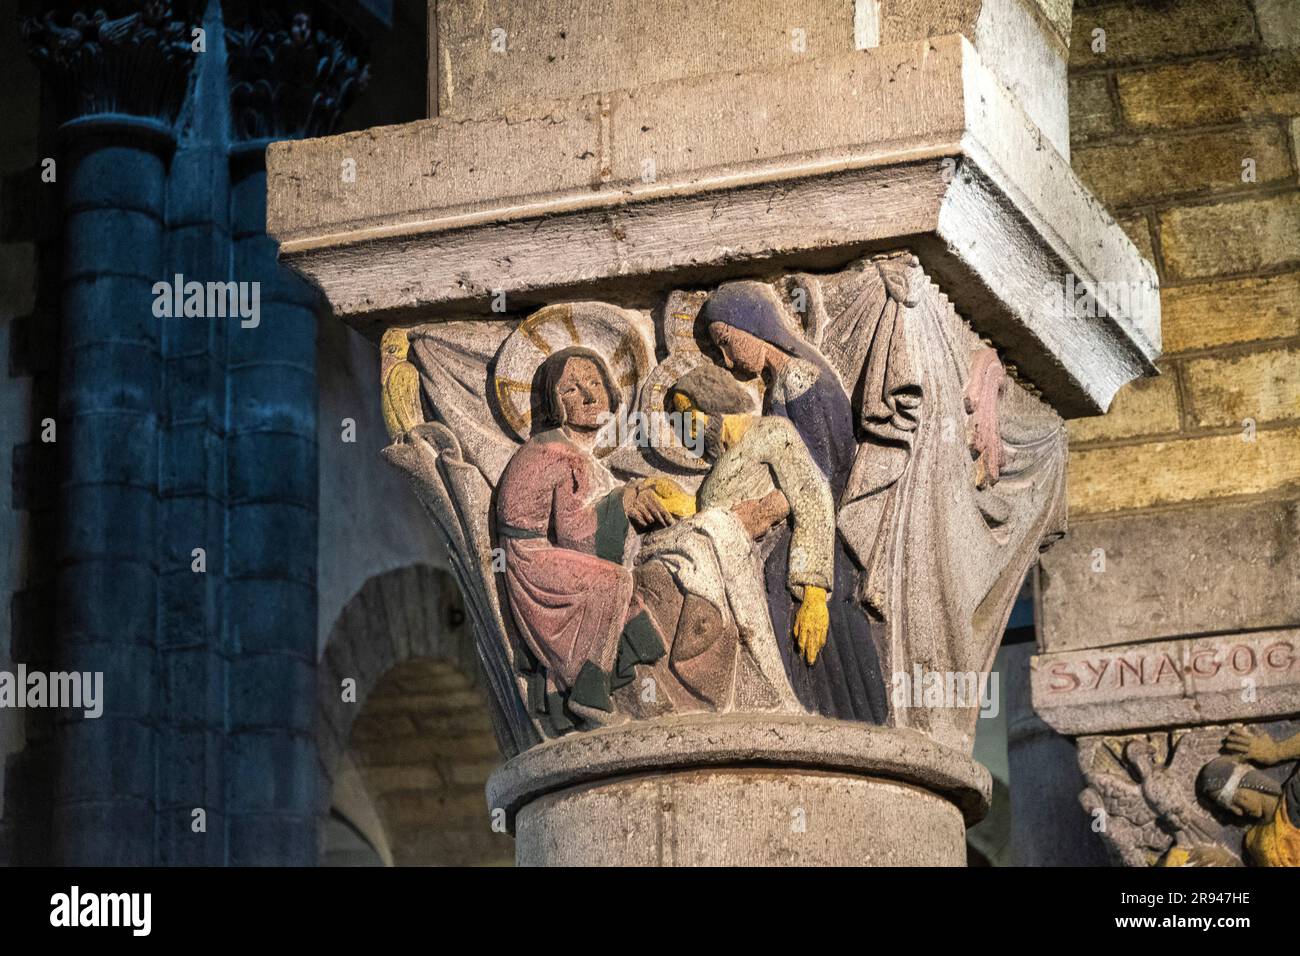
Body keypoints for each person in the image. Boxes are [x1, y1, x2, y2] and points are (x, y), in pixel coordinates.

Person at [699, 281, 886, 722]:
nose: (727, 361)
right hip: (805, 522)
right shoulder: (780, 386)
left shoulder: (803, 382)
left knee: (787, 595)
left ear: (754, 326)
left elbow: (818, 477)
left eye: (726, 343)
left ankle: (824, 711)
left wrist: (761, 514)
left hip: (824, 533)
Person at [494, 347, 687, 729]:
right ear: (554, 403)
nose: (588, 396)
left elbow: (592, 497)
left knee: (618, 583)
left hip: (532, 554)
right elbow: (575, 535)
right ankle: (588, 692)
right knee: (614, 581)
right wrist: (624, 503)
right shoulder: (562, 454)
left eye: (596, 383)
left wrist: (631, 493)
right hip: (532, 561)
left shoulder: (573, 452)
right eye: (570, 390)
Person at [1196, 727, 1300, 867]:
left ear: (1250, 783)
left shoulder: (1295, 796)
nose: (1238, 811)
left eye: (1235, 799)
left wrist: (1276, 752)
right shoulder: (1253, 841)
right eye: (1227, 806)